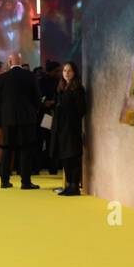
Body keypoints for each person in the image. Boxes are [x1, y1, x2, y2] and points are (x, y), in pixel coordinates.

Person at [0, 53, 39, 189]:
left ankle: (4, 180)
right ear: (21, 61)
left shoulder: (1, 78)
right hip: (27, 118)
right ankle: (25, 181)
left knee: (7, 149)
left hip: (8, 119)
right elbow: (37, 97)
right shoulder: (30, 76)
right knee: (26, 149)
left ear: (9, 61)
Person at [50, 61, 86, 195]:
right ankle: (68, 185)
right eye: (64, 71)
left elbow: (81, 109)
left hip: (71, 127)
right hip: (61, 126)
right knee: (65, 156)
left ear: (74, 72)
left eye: (69, 71)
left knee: (73, 156)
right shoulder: (61, 88)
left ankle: (74, 185)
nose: (67, 73)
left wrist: (66, 109)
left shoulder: (78, 89)